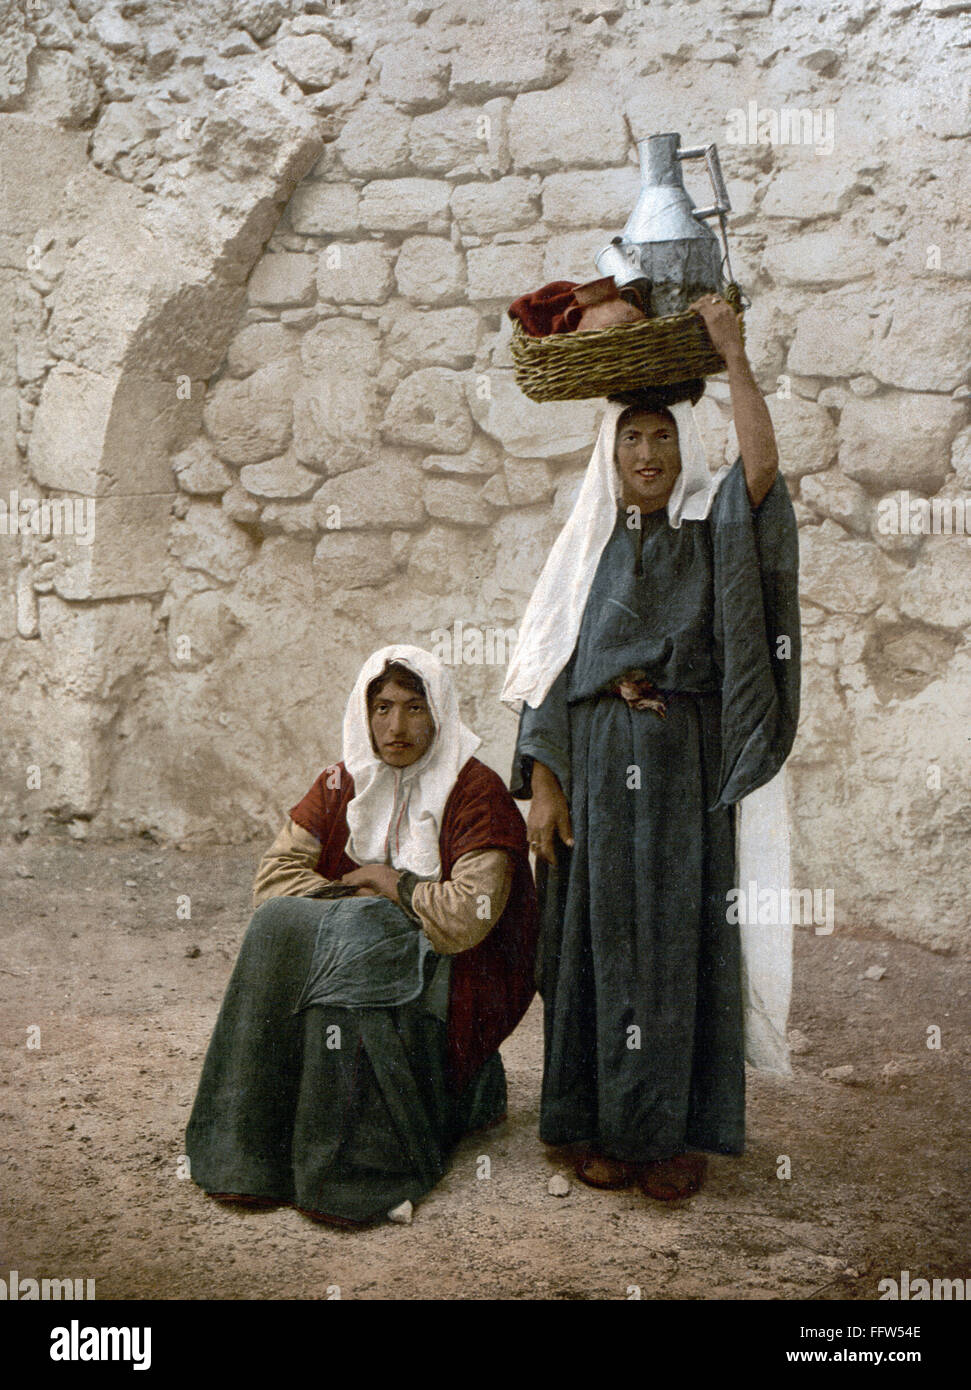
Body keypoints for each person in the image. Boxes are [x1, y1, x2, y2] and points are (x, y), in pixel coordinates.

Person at [501, 294, 800, 1201]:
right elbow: (548, 663)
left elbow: (761, 470)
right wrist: (544, 785)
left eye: (661, 439)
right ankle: (597, 1124)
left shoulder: (711, 533)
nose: (646, 455)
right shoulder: (584, 548)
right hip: (594, 771)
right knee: (594, 945)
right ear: (610, 451)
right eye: (630, 439)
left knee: (677, 946)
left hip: (681, 774)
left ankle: (669, 1135)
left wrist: (732, 356)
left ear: (681, 449)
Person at [186, 645, 538, 1227]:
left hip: (456, 967)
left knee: (360, 931)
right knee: (279, 924)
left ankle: (357, 1169)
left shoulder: (476, 788)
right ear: (363, 712)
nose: (395, 728)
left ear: (440, 712)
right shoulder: (342, 780)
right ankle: (248, 1154)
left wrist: (389, 884)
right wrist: (357, 896)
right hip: (354, 938)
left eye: (414, 709)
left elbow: (469, 913)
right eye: (381, 709)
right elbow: (273, 880)